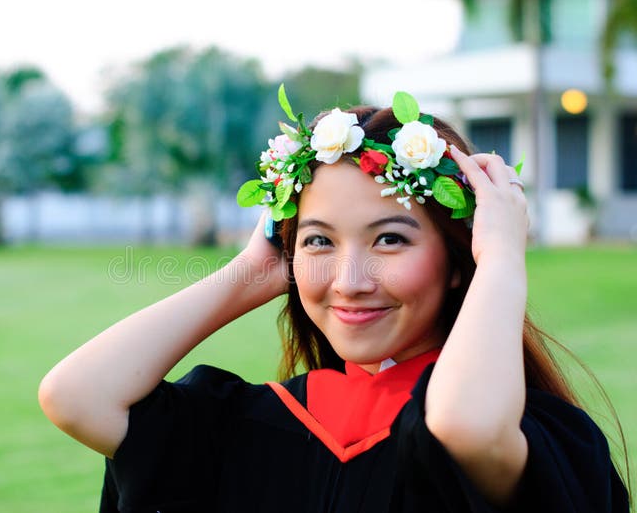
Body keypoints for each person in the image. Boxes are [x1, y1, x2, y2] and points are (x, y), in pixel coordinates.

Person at [38, 87, 630, 512]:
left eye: (390, 239)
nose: (349, 281)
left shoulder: (530, 436)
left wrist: (500, 257)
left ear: (458, 260)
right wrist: (251, 270)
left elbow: (463, 424)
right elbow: (76, 396)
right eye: (319, 241)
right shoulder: (248, 425)